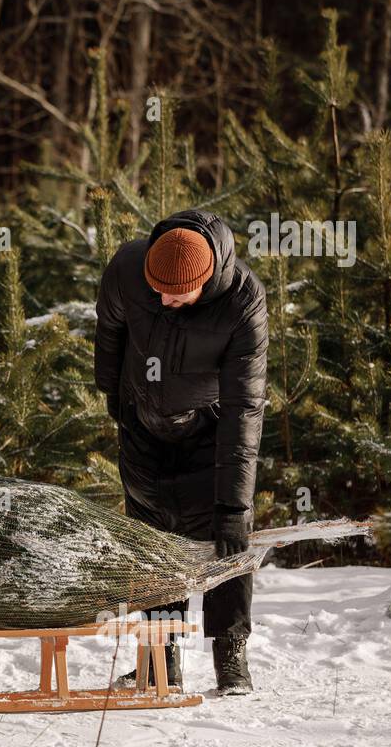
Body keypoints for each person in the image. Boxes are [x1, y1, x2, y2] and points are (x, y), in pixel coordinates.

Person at [94, 209, 268, 695]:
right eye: (157, 292)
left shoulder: (243, 302)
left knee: (226, 540)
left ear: (205, 280)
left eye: (177, 295)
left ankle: (230, 656)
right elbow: (109, 330)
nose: (164, 302)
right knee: (152, 541)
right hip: (143, 425)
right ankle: (159, 660)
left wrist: (234, 505)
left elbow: (244, 407)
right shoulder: (129, 267)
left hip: (210, 430)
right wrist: (113, 394)